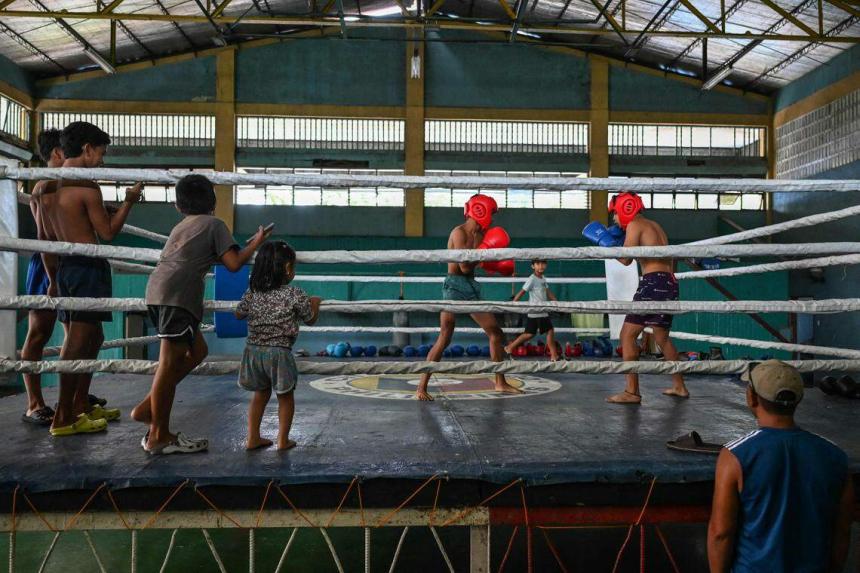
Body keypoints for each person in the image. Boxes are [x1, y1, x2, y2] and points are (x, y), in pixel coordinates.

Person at [132, 174, 270, 454]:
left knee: (198, 351)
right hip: (177, 297)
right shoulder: (214, 224)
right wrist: (256, 243)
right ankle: (158, 434)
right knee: (168, 364)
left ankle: (149, 407)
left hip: (161, 293)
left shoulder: (182, 226)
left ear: (178, 206)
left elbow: (208, 256)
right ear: (214, 201)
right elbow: (233, 264)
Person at [38, 121, 143, 436]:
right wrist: (128, 202)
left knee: (92, 337)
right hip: (87, 266)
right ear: (86, 149)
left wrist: (52, 278)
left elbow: (44, 238)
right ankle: (63, 417)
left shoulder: (45, 186)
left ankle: (78, 405)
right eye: (101, 153)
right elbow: (108, 232)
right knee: (78, 341)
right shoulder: (86, 186)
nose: (102, 160)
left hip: (65, 266)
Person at [708, 360, 854, 573]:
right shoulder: (835, 456)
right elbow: (842, 530)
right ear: (799, 399)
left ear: (751, 397)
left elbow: (721, 533)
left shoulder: (735, 456)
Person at [584, 192, 689, 404]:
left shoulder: (634, 225)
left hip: (653, 282)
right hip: (668, 281)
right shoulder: (655, 226)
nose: (614, 219)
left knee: (627, 335)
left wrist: (606, 243)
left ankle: (632, 392)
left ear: (626, 208)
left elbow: (625, 260)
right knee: (662, 338)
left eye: (614, 213)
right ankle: (680, 386)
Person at [415, 193, 521, 401]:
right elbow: (464, 265)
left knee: (495, 333)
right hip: (454, 286)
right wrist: (484, 252)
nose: (491, 218)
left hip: (471, 287)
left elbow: (479, 262)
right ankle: (421, 387)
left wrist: (498, 267)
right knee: (445, 336)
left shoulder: (482, 235)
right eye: (490, 212)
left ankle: (500, 382)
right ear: (480, 209)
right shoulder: (459, 233)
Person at [234, 241, 321, 451]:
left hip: (253, 351)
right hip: (279, 352)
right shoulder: (294, 294)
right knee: (285, 397)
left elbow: (238, 313)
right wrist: (315, 302)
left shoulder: (253, 291)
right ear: (288, 268)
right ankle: (282, 440)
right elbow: (310, 319)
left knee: (260, 394)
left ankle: (253, 437)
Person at [20, 129, 66, 425]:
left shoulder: (64, 183)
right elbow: (44, 237)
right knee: (39, 332)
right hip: (47, 263)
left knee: (77, 333)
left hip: (67, 261)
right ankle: (34, 403)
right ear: (59, 153)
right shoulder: (46, 185)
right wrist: (51, 278)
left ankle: (72, 396)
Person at [504, 259, 560, 361]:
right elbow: (522, 291)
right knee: (549, 331)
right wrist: (513, 303)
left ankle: (509, 347)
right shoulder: (532, 279)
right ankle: (554, 355)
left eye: (543, 263)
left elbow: (547, 291)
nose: (541, 266)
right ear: (533, 266)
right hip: (536, 311)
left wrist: (556, 301)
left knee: (529, 334)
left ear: (546, 265)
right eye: (538, 264)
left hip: (542, 311)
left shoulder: (543, 278)